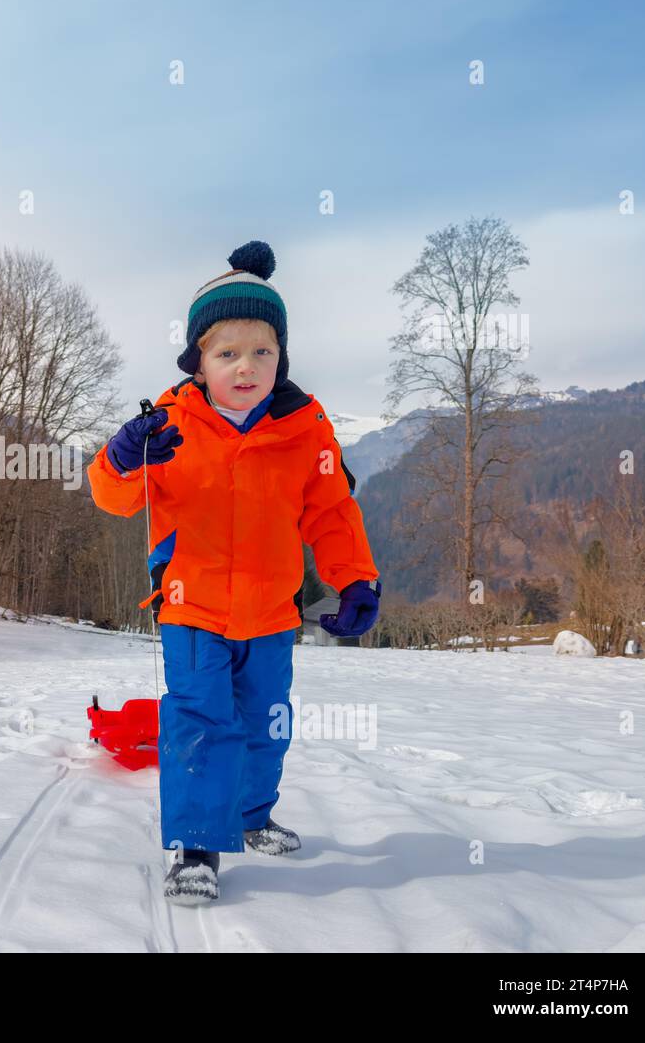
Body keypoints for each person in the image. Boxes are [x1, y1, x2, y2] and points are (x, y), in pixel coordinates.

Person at [86, 240, 381, 905]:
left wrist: (355, 577)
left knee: (266, 720)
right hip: (190, 606)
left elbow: (331, 510)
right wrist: (125, 452)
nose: (246, 367)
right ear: (197, 361)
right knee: (199, 717)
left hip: (274, 609)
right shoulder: (168, 423)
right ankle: (196, 845)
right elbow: (113, 493)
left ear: (282, 356)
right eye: (227, 353)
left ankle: (252, 814)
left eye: (262, 351)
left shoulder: (305, 428)